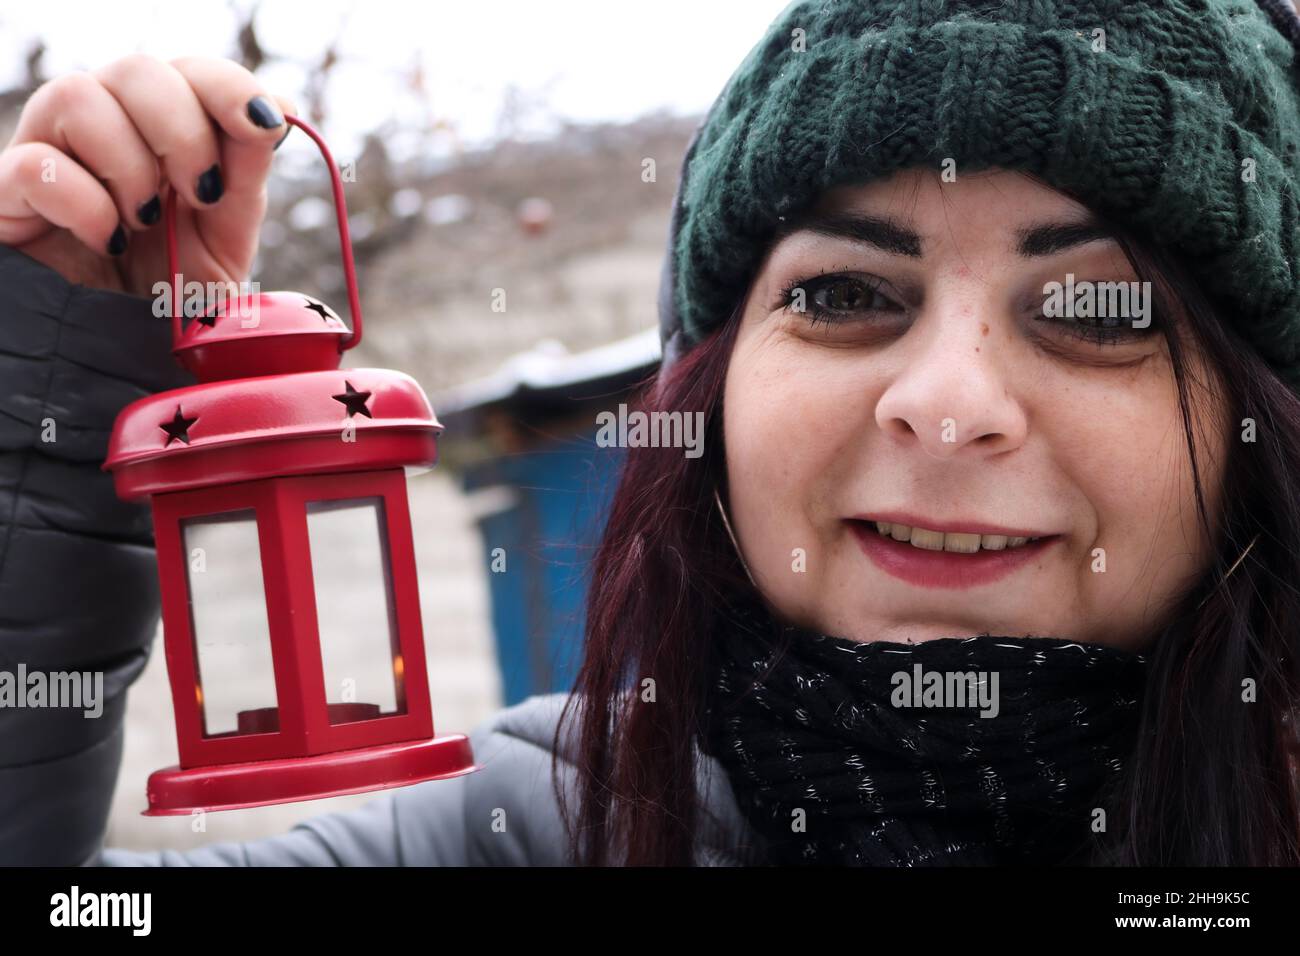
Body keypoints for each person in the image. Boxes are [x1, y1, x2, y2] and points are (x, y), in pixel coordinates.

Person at [3, 0, 1300, 867]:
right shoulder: (530, 830)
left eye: (1095, 310)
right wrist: (50, 399)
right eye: (846, 295)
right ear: (715, 393)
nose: (947, 403)